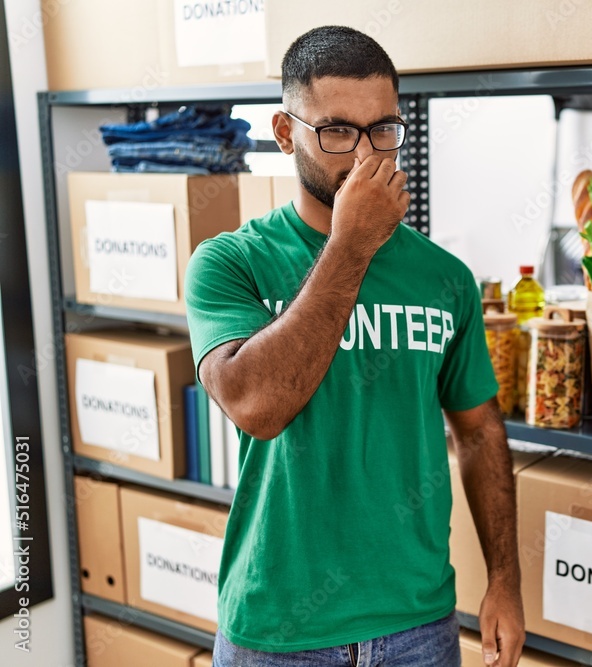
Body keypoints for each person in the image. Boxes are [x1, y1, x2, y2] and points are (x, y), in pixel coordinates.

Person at [185, 25, 525, 667]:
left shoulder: (445, 278)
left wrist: (504, 580)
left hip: (418, 626)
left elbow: (479, 431)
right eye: (337, 131)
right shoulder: (231, 263)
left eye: (385, 130)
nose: (367, 156)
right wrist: (351, 244)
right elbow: (257, 405)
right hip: (278, 630)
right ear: (285, 134)